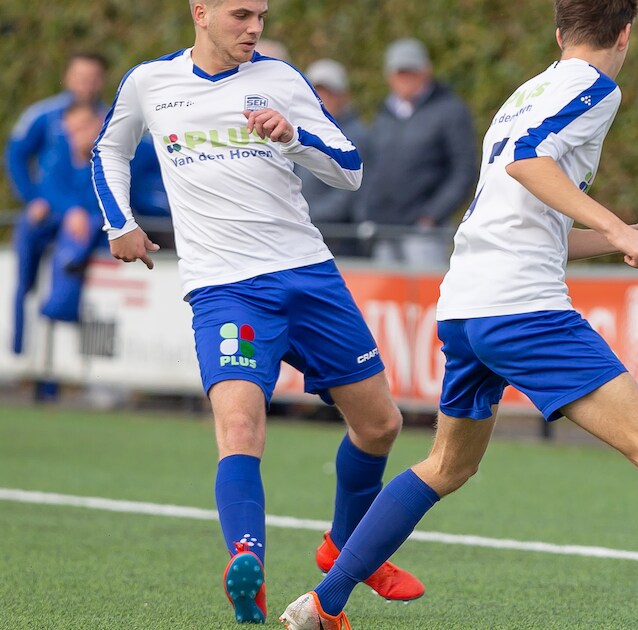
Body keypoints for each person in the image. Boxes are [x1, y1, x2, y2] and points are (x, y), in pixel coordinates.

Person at [281, 2, 638, 629]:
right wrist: (616, 228)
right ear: (625, 33)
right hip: (521, 308)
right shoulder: (595, 87)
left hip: (467, 304)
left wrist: (621, 234)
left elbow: (525, 219)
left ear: (559, 31)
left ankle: (323, 604)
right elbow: (527, 159)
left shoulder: (525, 93)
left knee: (447, 465)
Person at [91, 0, 423, 623]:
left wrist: (292, 137)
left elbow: (350, 168)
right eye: (241, 15)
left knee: (380, 425)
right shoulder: (149, 82)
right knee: (240, 427)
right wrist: (120, 222)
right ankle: (247, 562)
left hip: (308, 275)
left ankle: (344, 546)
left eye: (262, 16)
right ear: (201, 12)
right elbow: (107, 151)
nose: (255, 28)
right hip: (227, 290)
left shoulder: (281, 79)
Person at [8, 52, 108, 355]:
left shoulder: (110, 119)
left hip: (86, 218)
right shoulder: (43, 115)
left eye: (92, 78)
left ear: (101, 81)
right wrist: (32, 198)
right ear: (67, 78)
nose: (85, 84)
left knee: (75, 277)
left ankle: (62, 361)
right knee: (23, 282)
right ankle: (18, 352)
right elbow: (15, 157)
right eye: (80, 77)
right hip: (47, 212)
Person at [356, 37, 476, 267]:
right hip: (383, 229)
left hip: (424, 232)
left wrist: (432, 215)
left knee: (425, 287)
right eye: (400, 73)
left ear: (426, 71)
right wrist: (366, 212)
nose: (405, 79)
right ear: (389, 76)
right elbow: (369, 166)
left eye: (411, 71)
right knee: (385, 288)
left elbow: (464, 170)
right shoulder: (384, 114)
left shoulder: (450, 110)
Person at [296, 58, 367, 256]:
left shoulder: (356, 135)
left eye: (329, 93)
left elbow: (350, 193)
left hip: (341, 236)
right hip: (306, 230)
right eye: (316, 93)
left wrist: (304, 214)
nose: (322, 100)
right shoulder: (299, 130)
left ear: (343, 96)